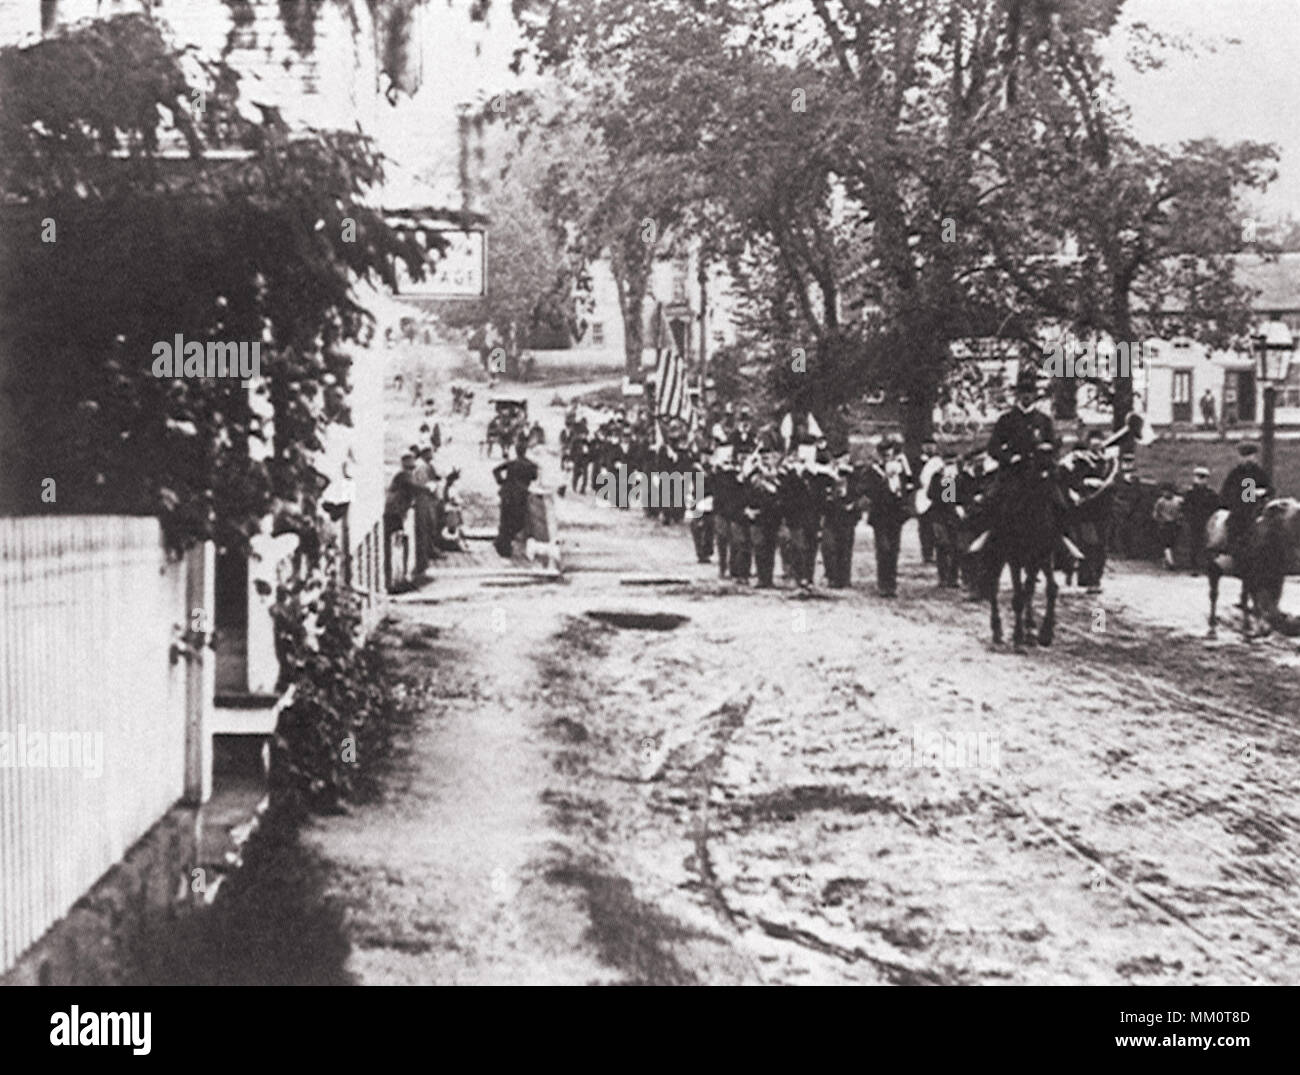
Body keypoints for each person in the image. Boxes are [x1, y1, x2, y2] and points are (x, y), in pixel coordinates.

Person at [1060, 429, 1113, 593]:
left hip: (1103, 509)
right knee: (1090, 544)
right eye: (1093, 440)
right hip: (1085, 509)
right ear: (1088, 443)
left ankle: (1096, 577)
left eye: (1100, 440)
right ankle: (1088, 579)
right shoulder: (1079, 460)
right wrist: (1084, 484)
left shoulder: (1109, 462)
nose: (1097, 444)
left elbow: (1113, 483)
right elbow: (1067, 478)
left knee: (1102, 546)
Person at [862, 436, 913, 598]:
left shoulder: (902, 468)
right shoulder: (875, 470)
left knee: (894, 550)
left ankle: (950, 579)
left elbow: (911, 486)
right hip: (881, 515)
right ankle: (885, 583)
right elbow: (868, 489)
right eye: (885, 454)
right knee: (884, 548)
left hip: (897, 514)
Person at [1220, 441, 1272, 569]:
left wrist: (1263, 491)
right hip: (1239, 509)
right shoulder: (1236, 473)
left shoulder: (1259, 472)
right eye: (1245, 456)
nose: (1249, 459)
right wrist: (1231, 501)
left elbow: (1270, 488)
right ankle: (1232, 553)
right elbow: (1225, 490)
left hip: (1255, 509)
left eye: (1251, 456)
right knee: (1232, 525)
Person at [820, 450, 865, 588]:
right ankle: (832, 576)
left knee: (845, 548)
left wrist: (854, 506)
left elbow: (862, 493)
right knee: (828, 547)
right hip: (830, 515)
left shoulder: (854, 476)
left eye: (843, 459)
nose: (839, 462)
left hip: (847, 516)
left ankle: (844, 578)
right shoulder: (826, 475)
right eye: (837, 459)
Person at [493, 439, 539, 559]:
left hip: (507, 495)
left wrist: (501, 482)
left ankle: (502, 545)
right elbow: (535, 477)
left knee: (505, 520)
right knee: (517, 522)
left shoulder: (511, 463)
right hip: (520, 497)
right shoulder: (531, 465)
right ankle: (504, 544)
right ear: (525, 451)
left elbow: (495, 470)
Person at [925, 448, 962, 588]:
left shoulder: (959, 477)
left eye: (953, 463)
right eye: (948, 463)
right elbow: (930, 494)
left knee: (956, 547)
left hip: (955, 516)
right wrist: (944, 489)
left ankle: (953, 577)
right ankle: (943, 577)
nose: (950, 465)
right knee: (942, 545)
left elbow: (963, 495)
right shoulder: (937, 477)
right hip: (940, 515)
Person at [382, 453, 419, 590]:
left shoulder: (404, 476)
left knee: (399, 547)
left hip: (396, 514)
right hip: (394, 515)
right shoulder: (404, 476)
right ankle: (395, 581)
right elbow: (416, 489)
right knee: (397, 548)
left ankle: (399, 579)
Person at [1182, 465, 1219, 575]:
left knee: (1208, 543)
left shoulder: (1210, 494)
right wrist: (1188, 517)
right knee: (1195, 543)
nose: (1200, 480)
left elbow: (1215, 506)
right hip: (1194, 521)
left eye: (1203, 478)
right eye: (1199, 477)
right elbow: (1186, 506)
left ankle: (1207, 566)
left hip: (1207, 521)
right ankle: (1194, 566)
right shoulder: (1191, 493)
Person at [411, 446, 442, 577]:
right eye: (430, 452)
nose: (432, 454)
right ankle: (422, 562)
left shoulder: (426, 465)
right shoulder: (421, 467)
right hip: (423, 501)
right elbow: (424, 485)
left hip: (427, 500)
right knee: (425, 528)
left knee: (428, 527)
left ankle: (427, 555)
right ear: (425, 453)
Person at [914, 439, 942, 565]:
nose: (930, 448)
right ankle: (927, 553)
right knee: (924, 526)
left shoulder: (939, 462)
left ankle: (939, 552)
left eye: (932, 446)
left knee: (937, 525)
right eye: (927, 446)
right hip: (922, 497)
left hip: (937, 498)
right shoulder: (917, 462)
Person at [1151, 483, 1184, 569]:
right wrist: (1159, 520)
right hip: (1165, 524)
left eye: (1168, 491)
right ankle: (1170, 562)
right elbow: (1155, 513)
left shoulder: (1178, 500)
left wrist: (1180, 519)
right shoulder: (1161, 501)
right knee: (1166, 543)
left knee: (1173, 543)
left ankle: (1167, 560)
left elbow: (1181, 511)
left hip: (1175, 524)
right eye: (1165, 491)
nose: (1166, 493)